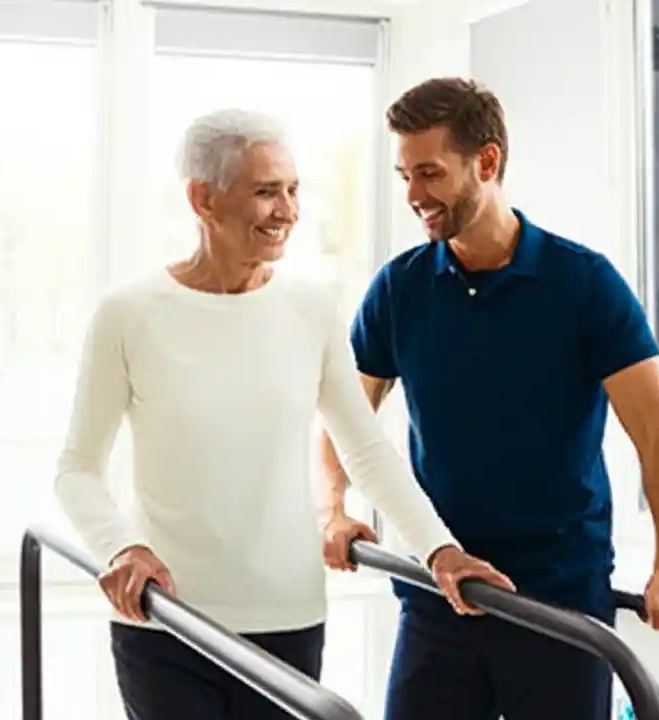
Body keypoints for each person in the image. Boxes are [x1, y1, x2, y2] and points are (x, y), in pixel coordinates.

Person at [54, 107, 513, 720]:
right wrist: (121, 549)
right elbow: (77, 468)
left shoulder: (310, 307)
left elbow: (366, 449)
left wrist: (439, 550)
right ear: (203, 198)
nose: (288, 211)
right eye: (266, 192)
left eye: (294, 190)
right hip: (166, 621)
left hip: (287, 620)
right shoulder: (129, 314)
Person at [317, 78, 659, 720]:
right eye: (404, 176)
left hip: (557, 605)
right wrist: (332, 509)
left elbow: (657, 431)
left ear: (488, 161)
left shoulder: (584, 284)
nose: (414, 195)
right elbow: (344, 415)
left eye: (429, 172)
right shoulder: (400, 288)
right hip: (436, 593)